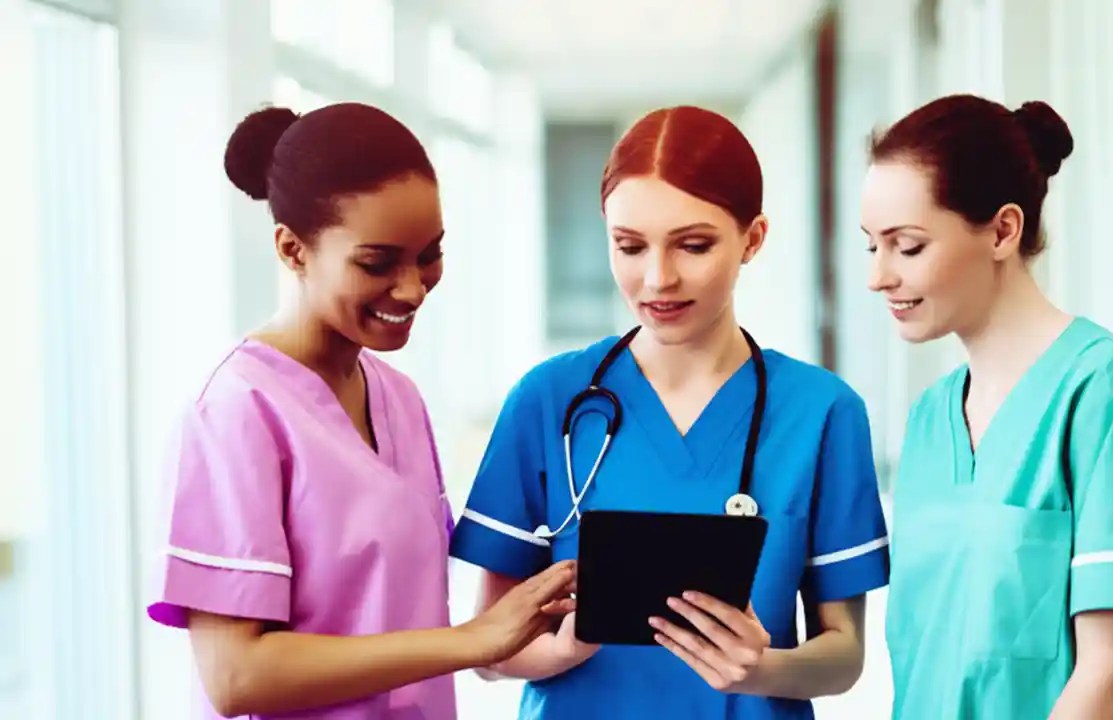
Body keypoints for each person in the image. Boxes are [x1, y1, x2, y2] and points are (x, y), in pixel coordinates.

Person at [447, 105, 890, 720]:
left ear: (752, 239)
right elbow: (487, 649)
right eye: (629, 246)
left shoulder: (821, 413)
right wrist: (564, 649)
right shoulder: (550, 401)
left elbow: (844, 657)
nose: (658, 278)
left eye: (694, 245)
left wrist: (762, 669)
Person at [145, 102, 577, 720]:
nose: (412, 287)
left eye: (429, 254)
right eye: (377, 263)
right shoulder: (236, 411)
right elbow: (236, 675)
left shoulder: (399, 397)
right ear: (293, 250)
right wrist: (467, 641)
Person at [861, 93, 1113, 719]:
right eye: (870, 247)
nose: (878, 276)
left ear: (1002, 230)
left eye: (906, 246)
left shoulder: (1110, 396)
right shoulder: (931, 420)